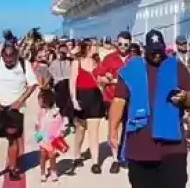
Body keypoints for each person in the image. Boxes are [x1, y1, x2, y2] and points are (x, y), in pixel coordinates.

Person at [108, 29, 190, 188]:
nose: (156, 55)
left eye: (159, 51)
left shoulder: (176, 66)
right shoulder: (131, 70)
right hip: (140, 140)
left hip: (173, 142)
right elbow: (119, 100)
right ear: (145, 49)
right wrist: (112, 129)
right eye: (152, 51)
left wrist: (184, 98)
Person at [0, 41, 38, 186]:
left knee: (13, 140)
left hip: (14, 110)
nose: (8, 62)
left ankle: (12, 168)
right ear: (2, 56)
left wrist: (20, 101)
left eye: (11, 60)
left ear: (16, 56)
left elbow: (32, 84)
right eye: (6, 59)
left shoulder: (24, 65)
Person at [96, 31, 134, 174]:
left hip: (131, 99)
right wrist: (104, 79)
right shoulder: (109, 58)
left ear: (130, 44)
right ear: (116, 43)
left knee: (129, 127)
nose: (123, 47)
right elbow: (98, 76)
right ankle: (115, 159)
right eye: (120, 44)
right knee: (114, 127)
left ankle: (126, 155)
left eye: (126, 44)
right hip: (112, 98)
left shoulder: (135, 59)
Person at [70, 40, 105, 174]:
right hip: (81, 97)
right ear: (88, 48)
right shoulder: (76, 62)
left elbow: (101, 81)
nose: (97, 47)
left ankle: (95, 162)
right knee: (80, 129)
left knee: (93, 130)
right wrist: (73, 99)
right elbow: (72, 82)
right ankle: (77, 154)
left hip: (95, 97)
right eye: (94, 46)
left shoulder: (98, 62)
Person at [34, 88, 66, 183]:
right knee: (42, 155)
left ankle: (53, 171)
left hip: (52, 138)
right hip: (42, 137)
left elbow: (61, 123)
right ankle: (43, 173)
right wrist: (38, 138)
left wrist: (61, 132)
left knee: (52, 155)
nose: (39, 102)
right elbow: (37, 125)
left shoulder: (55, 112)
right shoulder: (41, 112)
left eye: (40, 99)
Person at [48, 46, 74, 132]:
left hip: (68, 83)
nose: (62, 54)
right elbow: (50, 74)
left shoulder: (69, 61)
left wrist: (69, 52)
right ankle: (62, 121)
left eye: (64, 52)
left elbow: (75, 59)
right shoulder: (54, 63)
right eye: (60, 52)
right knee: (60, 103)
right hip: (58, 84)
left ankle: (70, 121)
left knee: (69, 103)